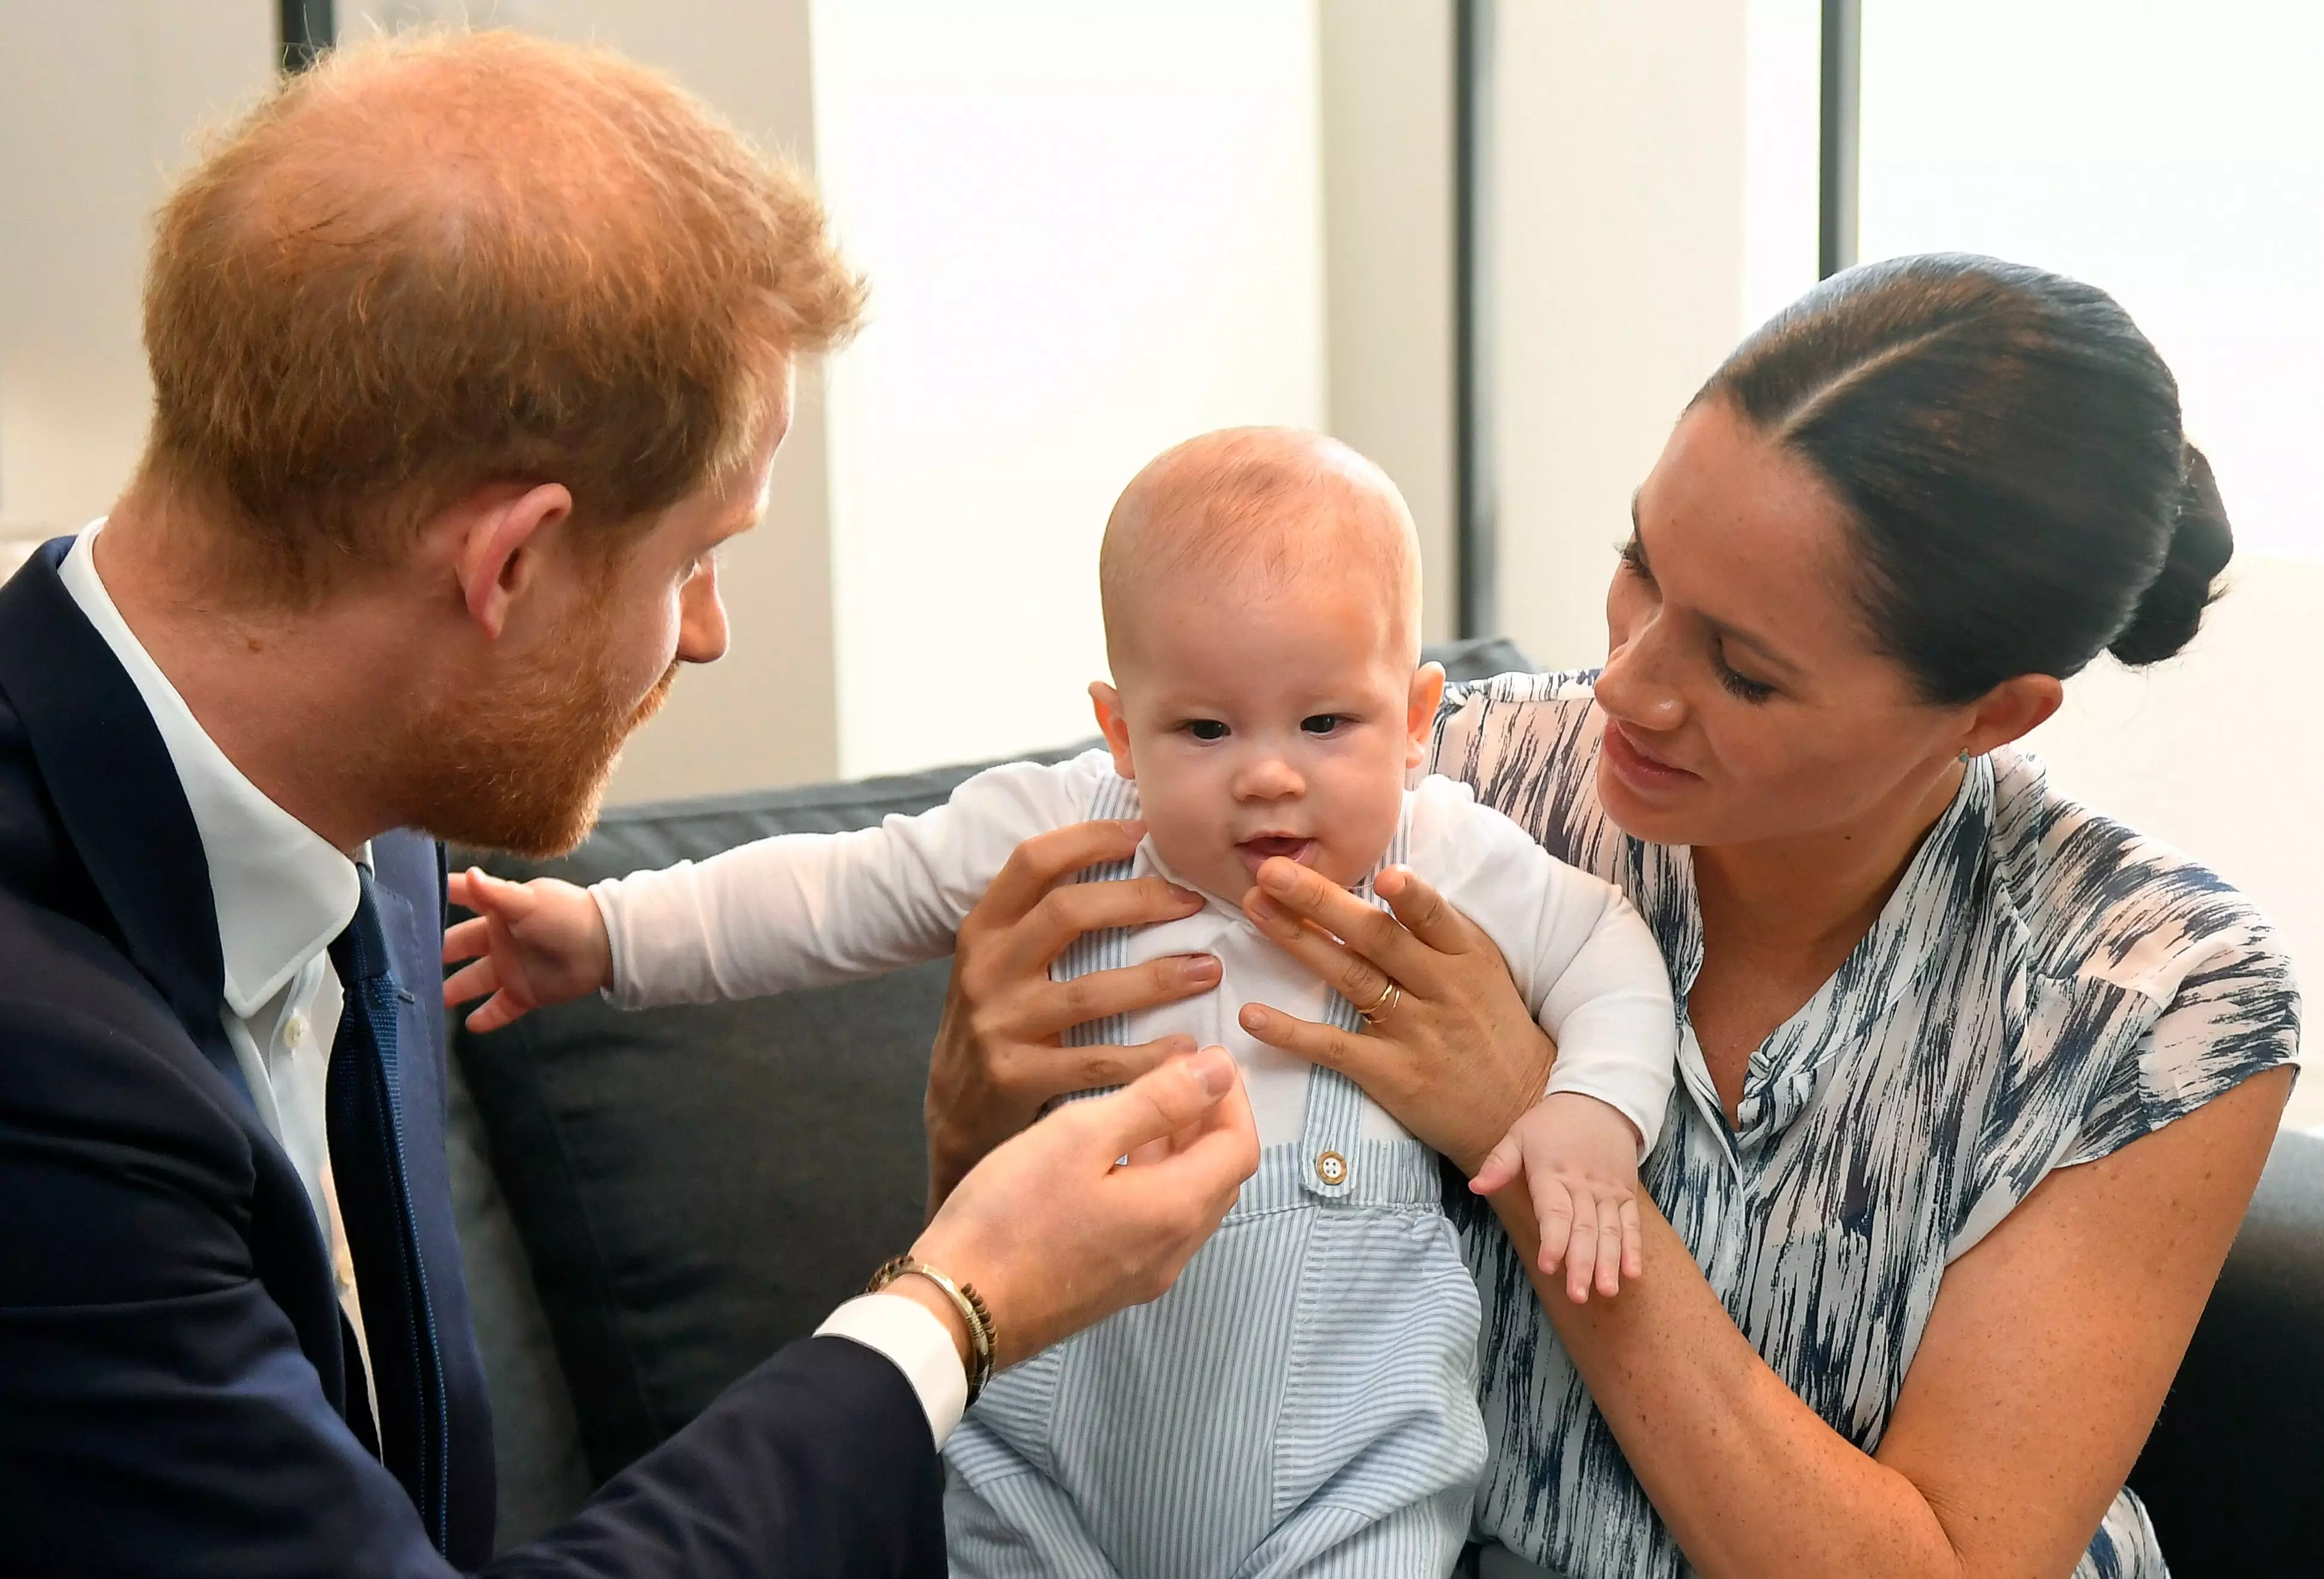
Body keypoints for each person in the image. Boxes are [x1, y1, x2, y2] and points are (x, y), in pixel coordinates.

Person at [0, 30, 1260, 1578]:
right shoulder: (39, 1065)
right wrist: (956, 1306)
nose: (710, 633)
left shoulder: (378, 816)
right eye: (697, 560)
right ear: (510, 565)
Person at [929, 255, 2301, 1578]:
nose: (1627, 689)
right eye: (1640, 567)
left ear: (1993, 714)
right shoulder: (1432, 790)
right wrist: (969, 1113)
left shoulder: (2154, 995)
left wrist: (1536, 1136)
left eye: (1745, 673)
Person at [439, 426, 1679, 1577]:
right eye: (1202, 727)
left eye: (1323, 722)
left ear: (1413, 721)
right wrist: (607, 934)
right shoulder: (1068, 826)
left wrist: (1585, 1115)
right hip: (1054, 1463)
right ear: (1120, 733)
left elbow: (1605, 954)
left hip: (1348, 1480)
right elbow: (838, 893)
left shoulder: (1445, 854)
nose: (1266, 776)